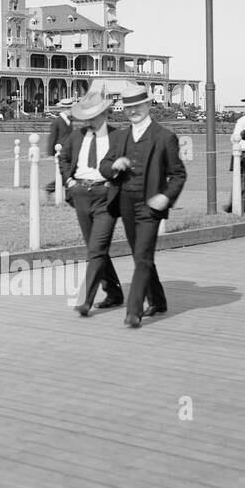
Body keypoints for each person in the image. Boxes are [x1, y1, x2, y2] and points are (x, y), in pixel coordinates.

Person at [99, 82, 187, 328]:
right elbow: (103, 166)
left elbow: (178, 175)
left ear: (148, 105)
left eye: (138, 105)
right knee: (141, 256)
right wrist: (114, 168)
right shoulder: (119, 137)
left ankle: (134, 311)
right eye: (128, 107)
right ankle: (158, 301)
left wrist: (165, 196)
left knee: (143, 254)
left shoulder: (165, 137)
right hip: (125, 202)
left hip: (150, 206)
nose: (133, 111)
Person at [59, 91, 124, 315]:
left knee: (96, 249)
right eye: (87, 116)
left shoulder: (118, 138)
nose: (90, 120)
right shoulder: (77, 137)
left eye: (94, 115)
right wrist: (68, 181)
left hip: (105, 196)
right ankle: (114, 292)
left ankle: (85, 300)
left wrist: (115, 182)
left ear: (106, 113)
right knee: (96, 248)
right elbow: (64, 158)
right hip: (81, 194)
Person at [45, 97, 75, 193]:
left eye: (71, 108)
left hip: (69, 150)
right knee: (66, 172)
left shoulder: (70, 121)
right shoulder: (57, 121)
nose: (71, 110)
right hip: (60, 151)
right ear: (63, 109)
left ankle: (52, 188)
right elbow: (52, 138)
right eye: (69, 108)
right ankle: (51, 187)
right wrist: (51, 153)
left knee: (68, 172)